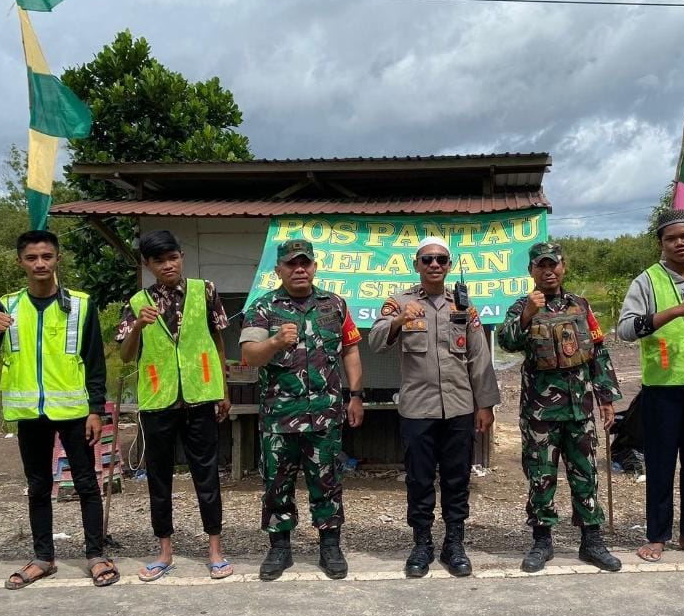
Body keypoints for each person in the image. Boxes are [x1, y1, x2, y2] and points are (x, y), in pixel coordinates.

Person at [0, 230, 120, 589]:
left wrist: (97, 410)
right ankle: (43, 558)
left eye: (46, 257)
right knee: (38, 486)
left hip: (74, 412)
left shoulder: (80, 304)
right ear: (20, 262)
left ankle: (96, 555)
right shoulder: (6, 306)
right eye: (32, 258)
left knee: (86, 483)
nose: (40, 264)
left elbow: (95, 362)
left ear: (58, 260)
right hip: (29, 414)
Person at [369, 236, 500, 578]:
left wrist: (485, 405)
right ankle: (422, 543)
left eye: (441, 259)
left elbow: (479, 357)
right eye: (427, 259)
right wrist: (398, 321)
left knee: (457, 480)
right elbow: (376, 341)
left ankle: (454, 543)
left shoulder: (463, 305)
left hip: (458, 408)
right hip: (418, 409)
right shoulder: (399, 302)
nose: (434, 265)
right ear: (416, 265)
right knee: (419, 479)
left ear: (449, 265)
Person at [240, 239, 364, 580]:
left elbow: (350, 351)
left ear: (314, 266)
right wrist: (276, 341)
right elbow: (250, 356)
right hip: (279, 418)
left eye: (305, 263)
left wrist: (355, 395)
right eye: (292, 264)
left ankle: (330, 546)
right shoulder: (263, 308)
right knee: (276, 485)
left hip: (325, 415)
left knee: (327, 482)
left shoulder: (334, 304)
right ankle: (280, 549)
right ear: (278, 269)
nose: (299, 269)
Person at [499, 242, 623, 572]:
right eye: (541, 265)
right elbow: (507, 341)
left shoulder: (581, 306)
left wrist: (606, 398)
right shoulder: (521, 307)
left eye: (553, 264)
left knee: (586, 475)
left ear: (563, 267)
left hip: (580, 409)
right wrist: (527, 314)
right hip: (540, 413)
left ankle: (592, 541)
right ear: (531, 271)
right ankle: (542, 541)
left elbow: (598, 351)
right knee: (541, 476)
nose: (548, 270)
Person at [117, 230, 233, 582]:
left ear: (181, 256)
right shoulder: (137, 302)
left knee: (207, 474)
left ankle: (215, 550)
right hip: (158, 400)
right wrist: (138, 325)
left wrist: (223, 389)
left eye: (173, 257)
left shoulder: (205, 290)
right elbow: (125, 355)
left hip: (200, 396)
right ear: (148, 264)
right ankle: (164, 551)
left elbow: (217, 339)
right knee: (159, 477)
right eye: (159, 260)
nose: (168, 265)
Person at [616, 209, 684, 563]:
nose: (680, 243)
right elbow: (626, 330)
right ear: (661, 243)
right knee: (661, 463)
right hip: (662, 386)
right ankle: (657, 535)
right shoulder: (646, 282)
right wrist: (675, 311)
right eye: (671, 238)